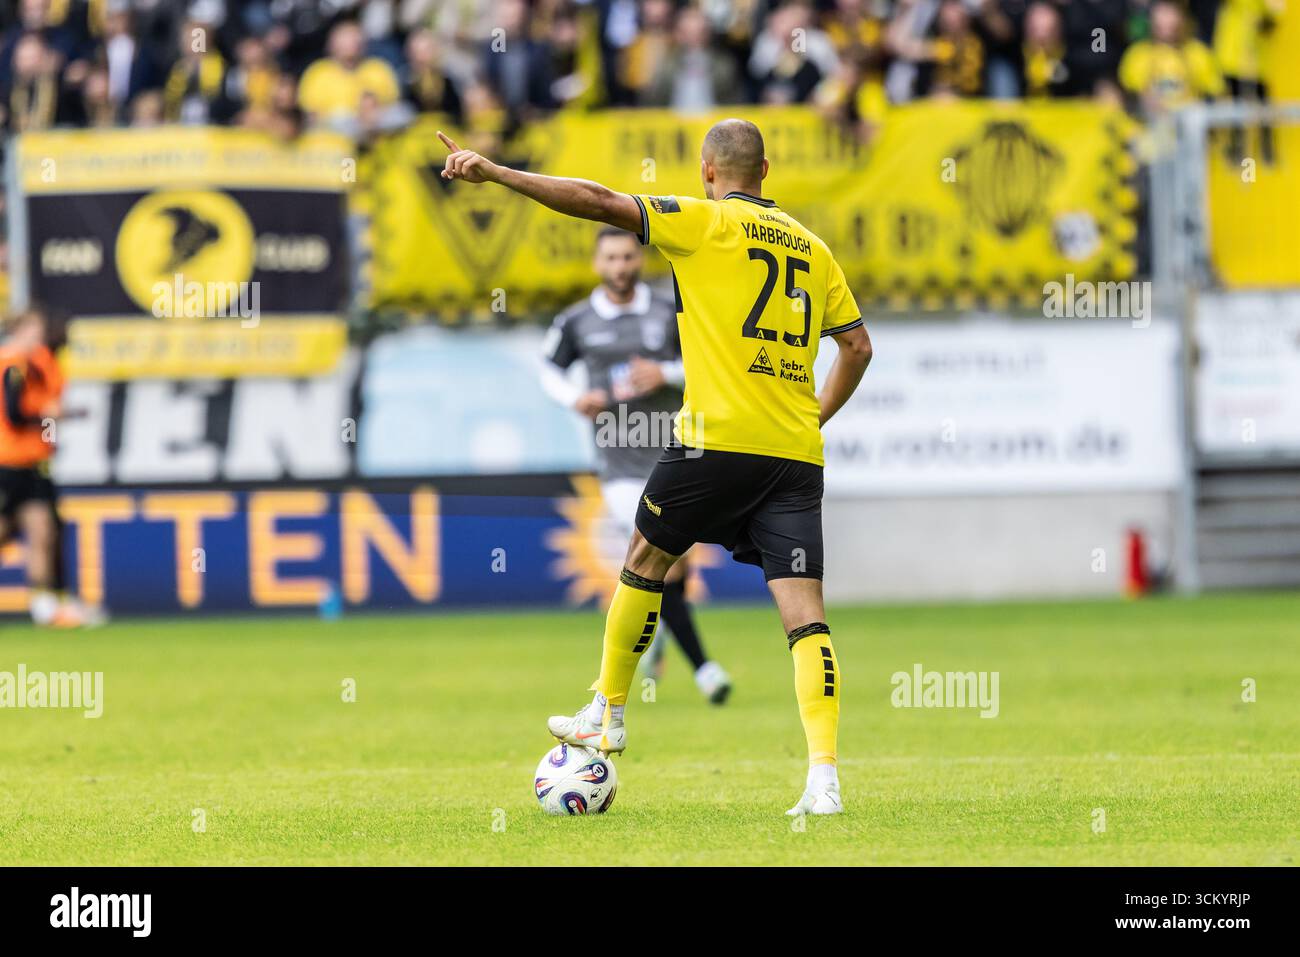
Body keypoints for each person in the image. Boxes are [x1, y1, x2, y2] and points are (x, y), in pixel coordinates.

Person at [437, 117, 873, 815]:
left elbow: (598, 199)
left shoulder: (701, 223)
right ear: (766, 173)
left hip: (715, 440)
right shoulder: (814, 249)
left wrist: (499, 174)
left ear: (708, 171)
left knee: (645, 558)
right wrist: (813, 416)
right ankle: (824, 779)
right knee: (804, 617)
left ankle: (607, 709)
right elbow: (856, 348)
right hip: (793, 452)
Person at [540, 225, 733, 704]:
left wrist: (664, 371)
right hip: (620, 461)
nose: (620, 267)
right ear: (597, 263)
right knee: (661, 559)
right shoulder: (577, 321)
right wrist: (574, 398)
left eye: (628, 257)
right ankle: (707, 670)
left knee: (673, 567)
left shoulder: (669, 312)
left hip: (676, 452)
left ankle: (660, 632)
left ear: (639, 260)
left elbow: (714, 360)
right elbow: (549, 367)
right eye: (611, 259)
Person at [0, 305, 101, 628]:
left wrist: (55, 417)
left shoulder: (35, 366)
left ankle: (44, 605)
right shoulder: (10, 364)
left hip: (32, 464)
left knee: (43, 530)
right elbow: (15, 415)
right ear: (18, 330)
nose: (38, 338)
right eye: (32, 331)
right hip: (6, 464)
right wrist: (50, 414)